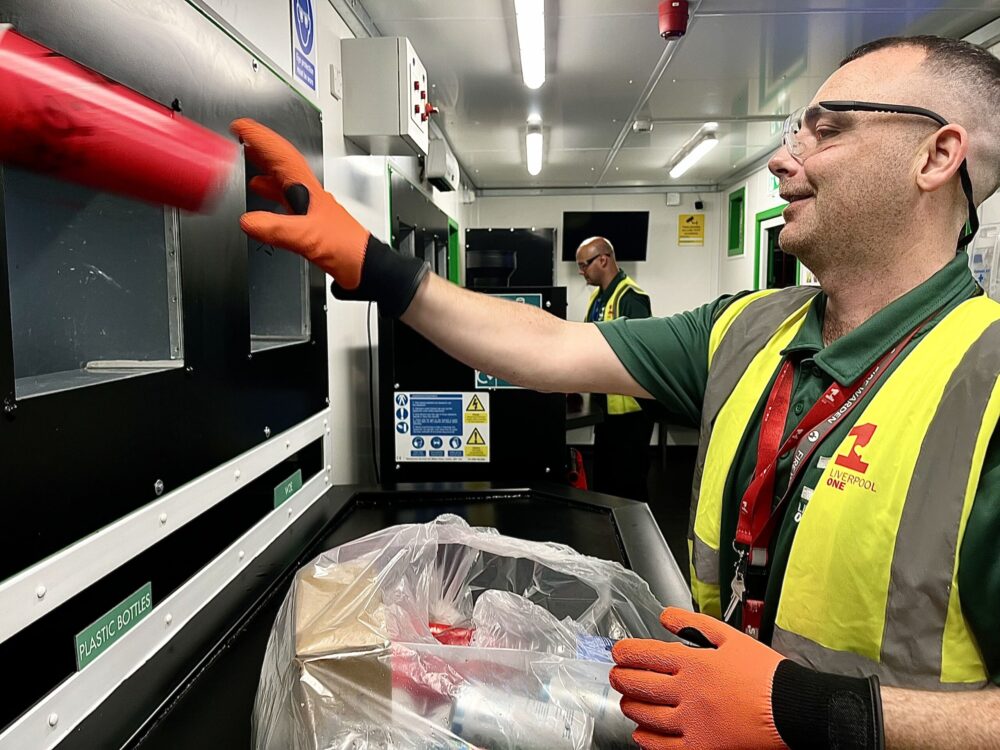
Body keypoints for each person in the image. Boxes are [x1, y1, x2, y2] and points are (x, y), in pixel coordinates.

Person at [229, 33, 1000, 750]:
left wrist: (799, 708)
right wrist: (378, 268)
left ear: (935, 156)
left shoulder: (988, 382)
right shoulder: (747, 328)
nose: (783, 158)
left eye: (827, 131)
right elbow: (552, 348)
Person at [576, 236, 655, 501]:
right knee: (607, 482)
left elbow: (642, 354)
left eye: (584, 265)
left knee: (629, 485)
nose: (581, 271)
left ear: (603, 259)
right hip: (605, 410)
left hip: (631, 414)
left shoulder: (631, 298)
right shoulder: (598, 299)